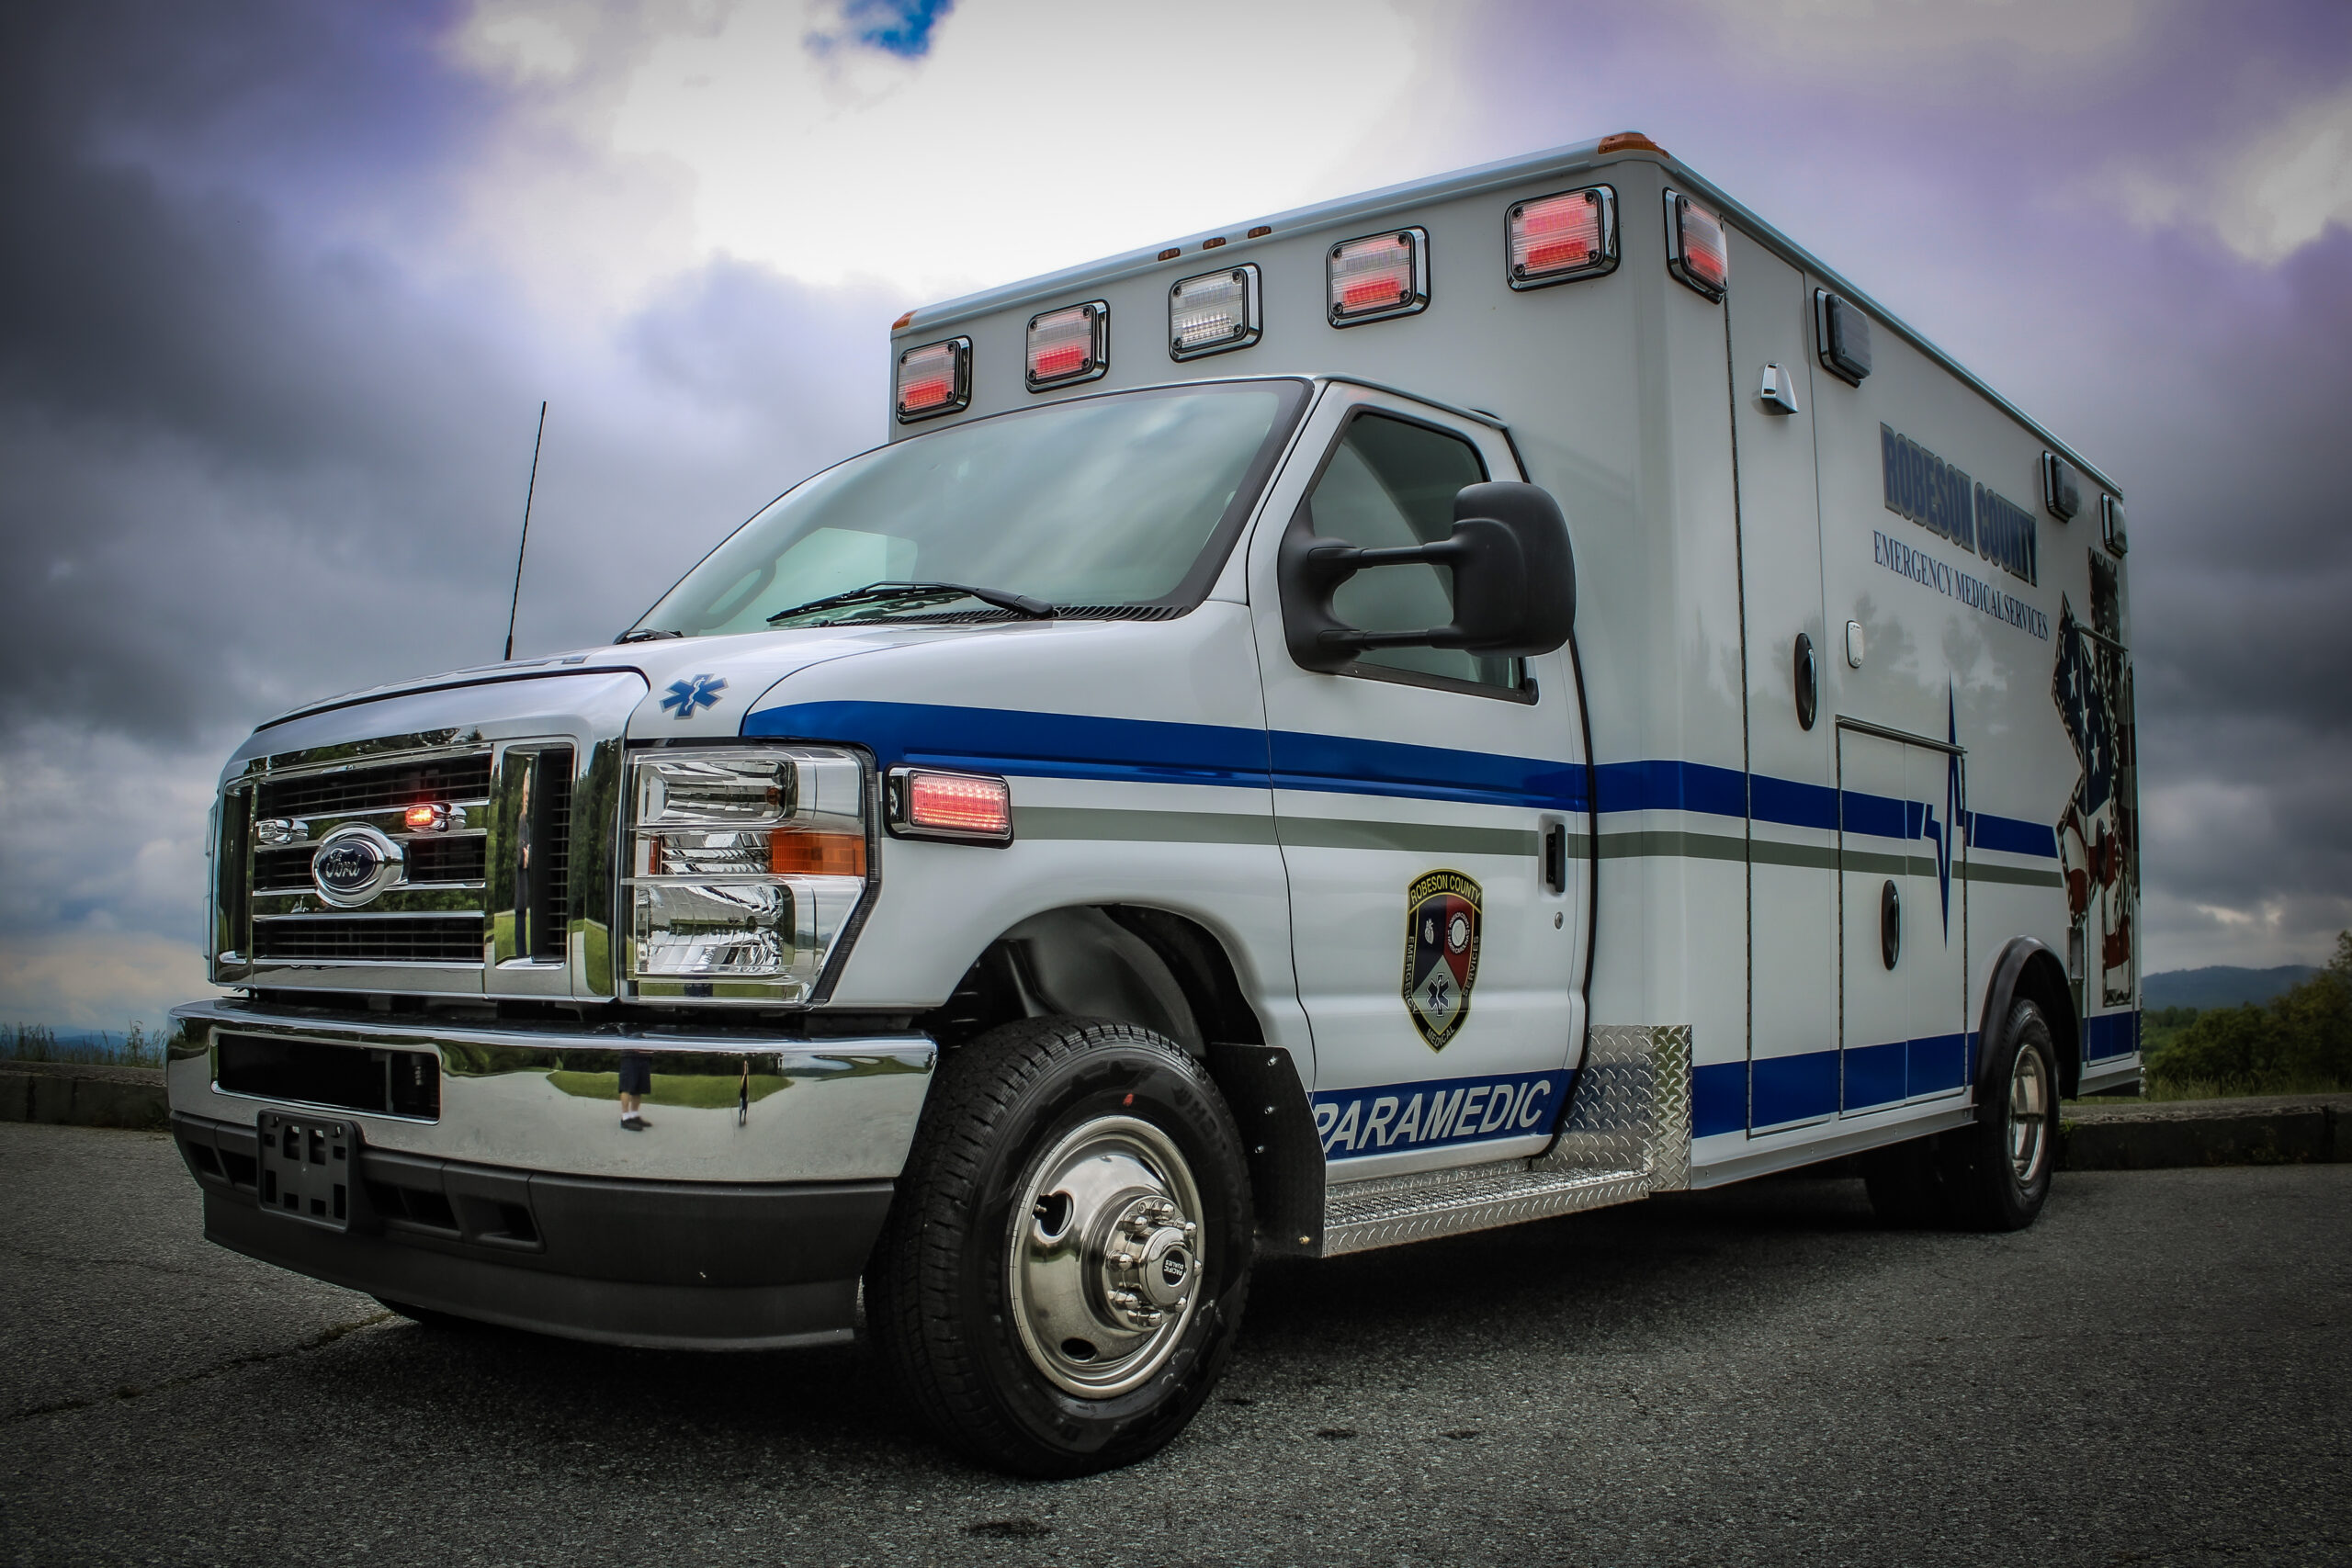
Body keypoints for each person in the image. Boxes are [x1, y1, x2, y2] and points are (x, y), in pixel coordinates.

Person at [617, 1050, 650, 1131]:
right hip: (629, 1056)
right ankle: (625, 1118)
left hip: (644, 1056)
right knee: (626, 1087)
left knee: (639, 1088)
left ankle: (634, 1116)